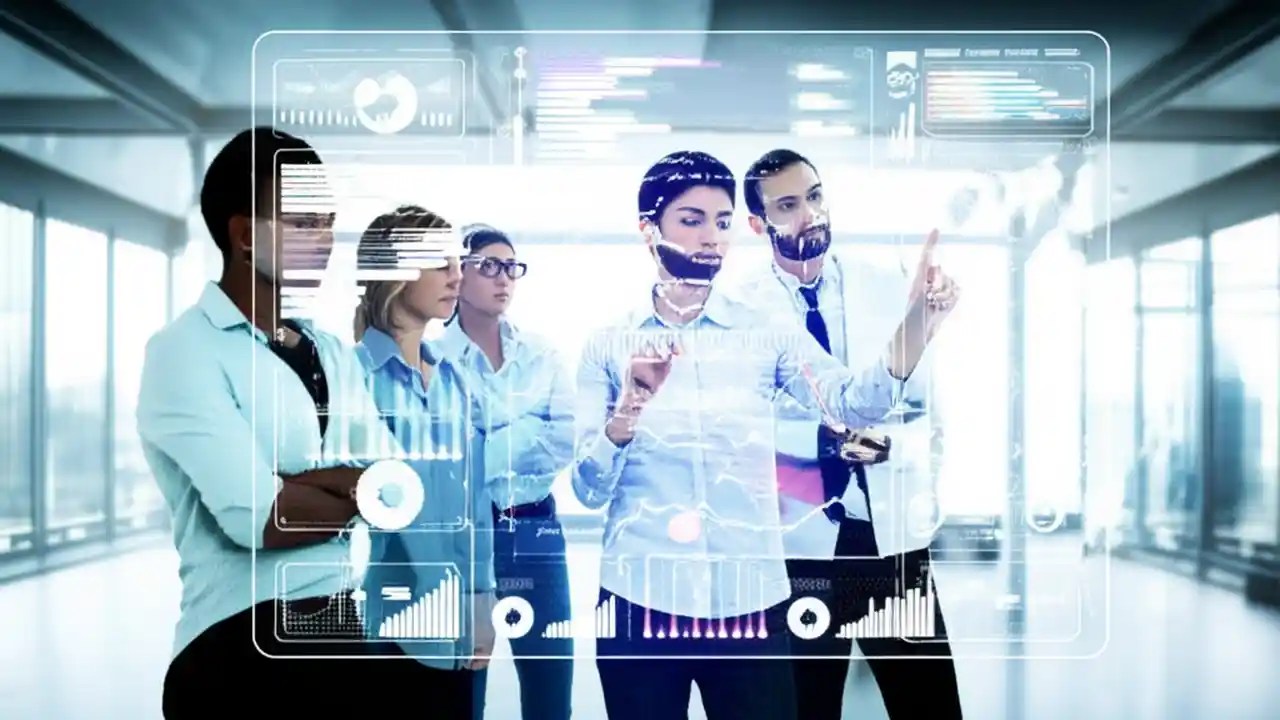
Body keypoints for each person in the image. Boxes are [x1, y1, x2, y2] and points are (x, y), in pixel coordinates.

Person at [573, 150, 956, 720]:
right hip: (641, 601)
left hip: (749, 606)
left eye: (722, 221)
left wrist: (920, 320)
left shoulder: (767, 332)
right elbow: (587, 490)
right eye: (691, 219)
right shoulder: (607, 345)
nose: (711, 237)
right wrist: (629, 409)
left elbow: (852, 402)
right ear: (648, 231)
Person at [138, 127, 407, 717]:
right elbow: (261, 518)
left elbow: (396, 484)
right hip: (235, 652)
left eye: (328, 221)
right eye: (304, 222)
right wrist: (353, 487)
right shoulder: (185, 351)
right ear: (242, 235)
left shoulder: (331, 350)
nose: (326, 239)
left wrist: (310, 484)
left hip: (340, 630)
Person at [737, 148, 963, 719]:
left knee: (930, 706)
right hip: (799, 548)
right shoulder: (740, 311)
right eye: (787, 205)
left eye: (814, 196)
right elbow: (743, 427)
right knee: (806, 708)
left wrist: (920, 322)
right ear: (757, 224)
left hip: (885, 534)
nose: (808, 213)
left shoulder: (883, 285)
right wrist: (822, 444)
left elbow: (920, 403)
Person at [352, 205, 496, 718]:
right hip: (382, 627)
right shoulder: (353, 379)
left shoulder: (456, 381)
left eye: (458, 262)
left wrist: (482, 601)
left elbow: (475, 502)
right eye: (441, 263)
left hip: (454, 629)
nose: (458, 276)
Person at [439, 224, 576, 720]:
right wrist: (523, 429)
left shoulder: (541, 352)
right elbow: (452, 465)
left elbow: (565, 439)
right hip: (465, 533)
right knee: (464, 677)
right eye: (489, 266)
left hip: (536, 527)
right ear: (459, 274)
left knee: (549, 676)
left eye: (511, 268)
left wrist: (488, 442)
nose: (504, 279)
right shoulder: (433, 358)